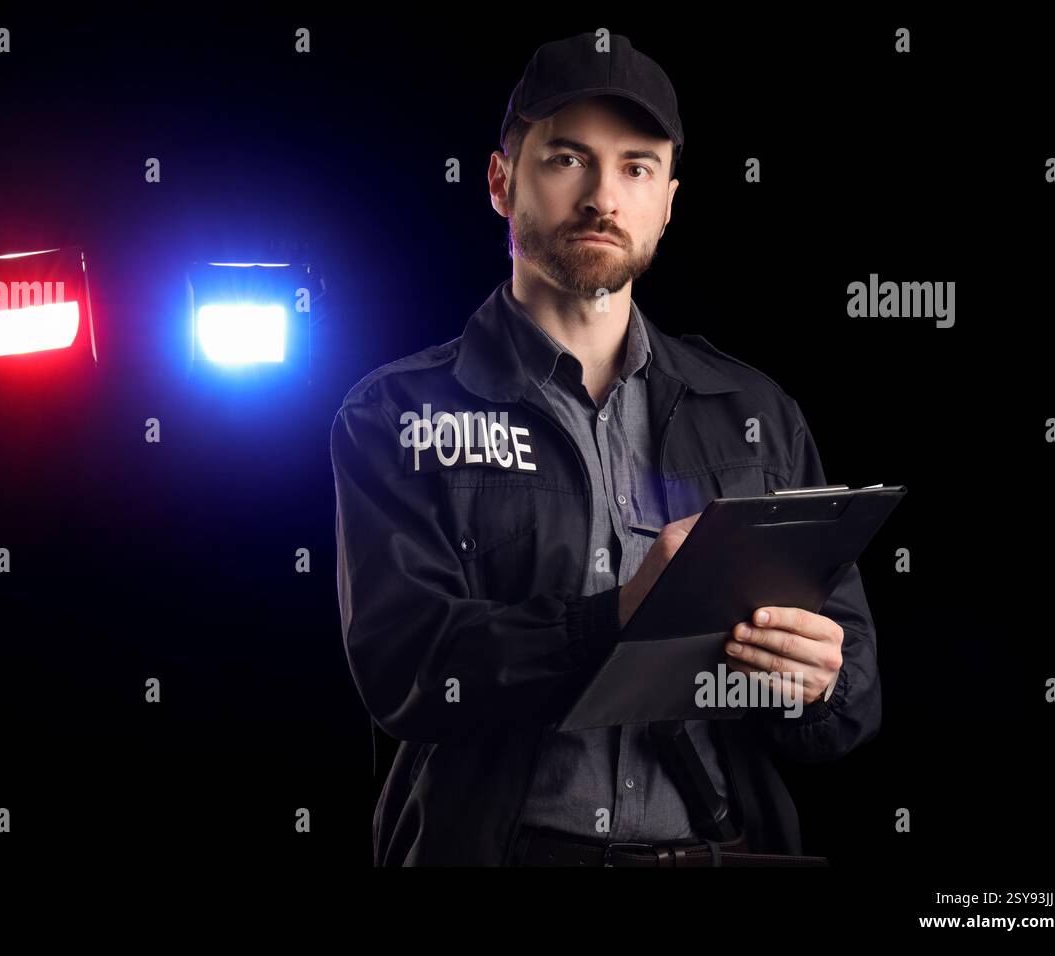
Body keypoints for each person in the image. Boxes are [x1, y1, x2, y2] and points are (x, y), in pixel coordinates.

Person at [330, 31, 881, 866]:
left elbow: (850, 704)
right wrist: (616, 617)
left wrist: (820, 683)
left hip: (720, 851)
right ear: (499, 181)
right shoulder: (397, 414)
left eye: (636, 167)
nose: (603, 197)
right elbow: (406, 671)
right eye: (566, 159)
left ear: (668, 200)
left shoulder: (753, 413)